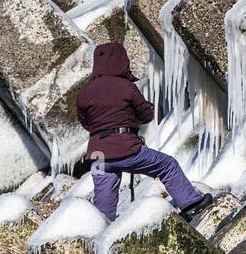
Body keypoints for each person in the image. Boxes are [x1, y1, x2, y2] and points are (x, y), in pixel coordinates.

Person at [75, 41, 213, 223]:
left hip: (99, 154)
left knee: (104, 201)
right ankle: (191, 205)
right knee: (167, 165)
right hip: (127, 149)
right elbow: (146, 114)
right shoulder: (126, 87)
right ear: (121, 61)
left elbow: (86, 123)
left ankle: (101, 232)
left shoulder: (85, 93)